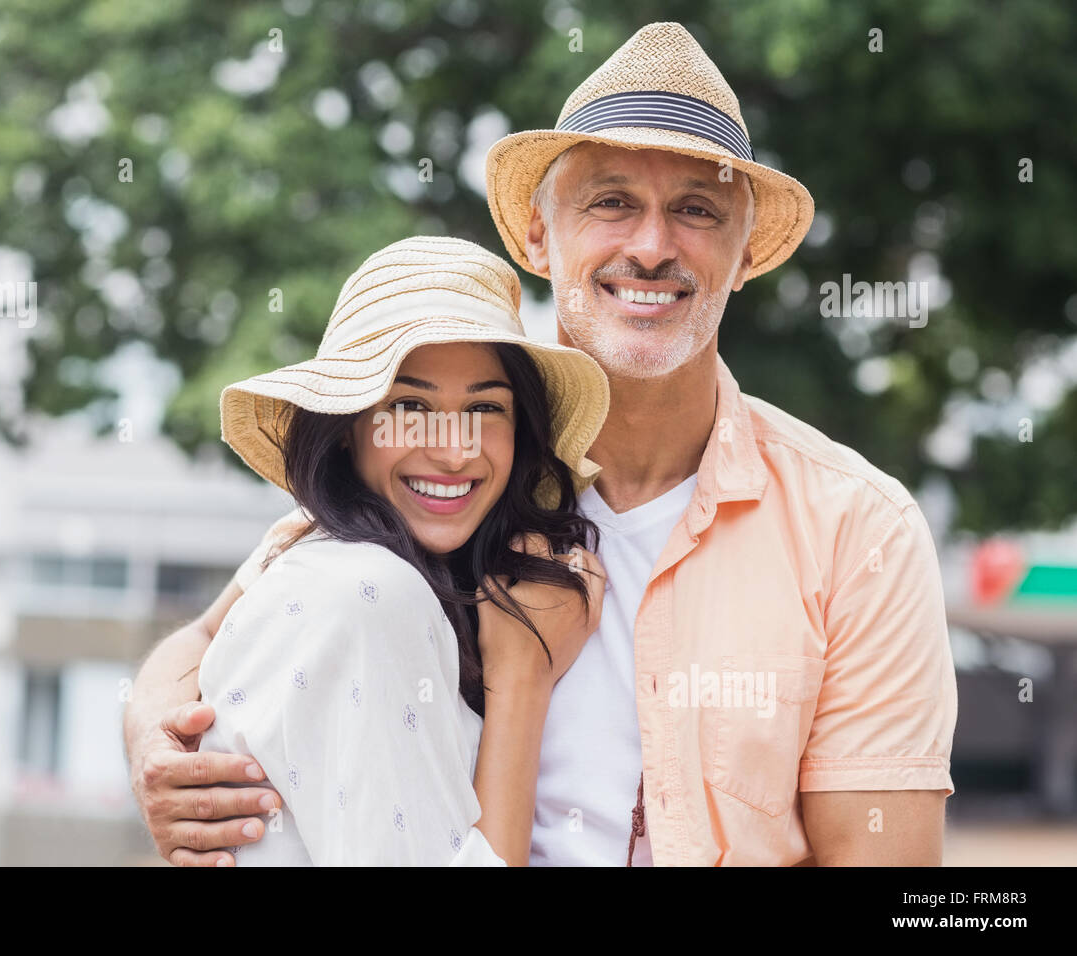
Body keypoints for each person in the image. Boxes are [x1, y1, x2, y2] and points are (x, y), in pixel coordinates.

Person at [125, 22, 958, 866]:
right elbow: (208, 637)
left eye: (697, 211)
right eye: (612, 201)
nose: (651, 245)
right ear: (534, 236)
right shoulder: (449, 474)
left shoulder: (858, 530)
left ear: (744, 255)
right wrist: (153, 746)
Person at [186, 235, 610, 864]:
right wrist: (524, 676)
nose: (452, 450)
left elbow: (197, 637)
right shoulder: (365, 589)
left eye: (485, 407)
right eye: (409, 405)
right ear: (345, 428)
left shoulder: (332, 553)